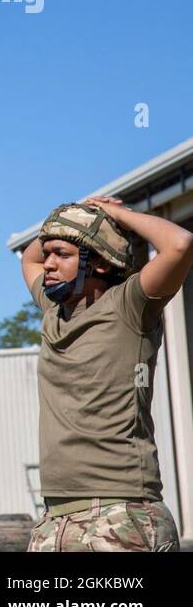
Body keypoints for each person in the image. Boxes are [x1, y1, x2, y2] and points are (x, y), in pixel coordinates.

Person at [20, 197, 193, 552]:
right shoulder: (54, 310)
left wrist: (115, 216)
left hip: (121, 512)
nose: (49, 263)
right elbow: (29, 257)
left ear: (98, 263)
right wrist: (72, 216)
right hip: (55, 517)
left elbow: (180, 244)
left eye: (62, 254)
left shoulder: (130, 305)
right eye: (49, 252)